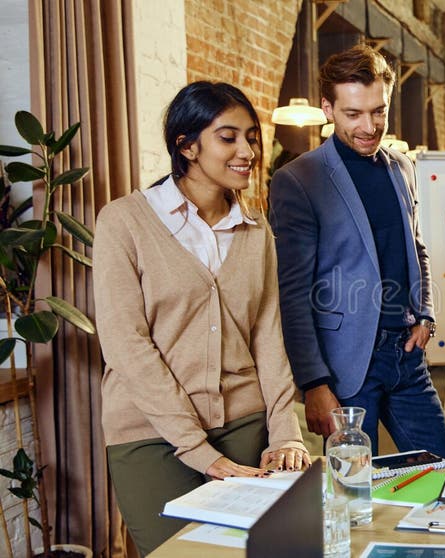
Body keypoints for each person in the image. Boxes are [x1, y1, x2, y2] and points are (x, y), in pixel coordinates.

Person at [93, 82, 310, 556]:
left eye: (251, 137)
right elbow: (126, 344)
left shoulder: (255, 231)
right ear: (187, 146)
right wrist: (197, 449)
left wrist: (284, 432)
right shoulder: (124, 222)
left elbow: (267, 336)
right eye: (228, 137)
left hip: (245, 423)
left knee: (269, 549)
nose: (247, 152)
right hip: (150, 433)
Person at [269, 45, 445, 458]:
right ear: (328, 109)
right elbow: (293, 294)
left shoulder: (402, 167)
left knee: (444, 472)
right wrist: (314, 383)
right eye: (353, 114)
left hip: (407, 355)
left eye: (378, 111)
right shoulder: (298, 179)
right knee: (353, 487)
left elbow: (416, 247)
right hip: (346, 367)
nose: (370, 127)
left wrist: (425, 314)